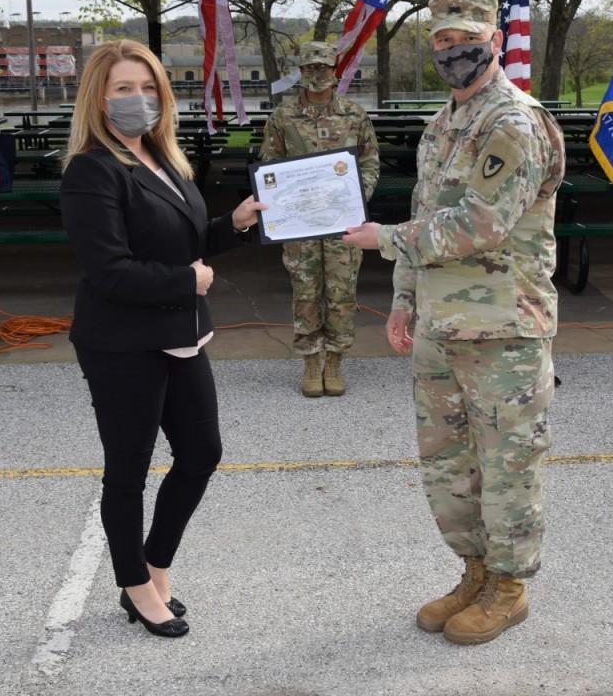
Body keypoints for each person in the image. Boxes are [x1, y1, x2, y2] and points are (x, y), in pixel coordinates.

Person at [343, 0, 565, 645]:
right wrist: (404, 297)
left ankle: (509, 587)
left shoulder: (513, 122)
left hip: (504, 330)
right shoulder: (442, 126)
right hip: (442, 325)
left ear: (493, 38)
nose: (452, 50)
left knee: (507, 466)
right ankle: (474, 571)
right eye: (440, 41)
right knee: (449, 467)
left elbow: (481, 225)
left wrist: (380, 241)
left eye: (464, 38)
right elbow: (424, 209)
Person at [60, 39, 265, 639]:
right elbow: (111, 270)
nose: (138, 99)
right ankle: (134, 585)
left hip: (180, 335)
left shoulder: (160, 155)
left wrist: (232, 226)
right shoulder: (90, 170)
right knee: (128, 471)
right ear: (98, 96)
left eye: (148, 88)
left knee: (202, 454)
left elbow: (183, 241)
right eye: (124, 88)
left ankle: (156, 562)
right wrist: (189, 280)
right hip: (122, 343)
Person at [259, 41, 380, 398]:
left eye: (323, 67)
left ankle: (335, 360)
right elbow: (269, 165)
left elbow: (371, 161)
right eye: (310, 68)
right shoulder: (282, 116)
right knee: (306, 290)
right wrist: (279, 203)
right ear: (301, 71)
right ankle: (311, 360)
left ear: (335, 70)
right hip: (301, 223)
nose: (317, 74)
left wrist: (359, 195)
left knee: (342, 291)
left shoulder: (354, 115)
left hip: (343, 222)